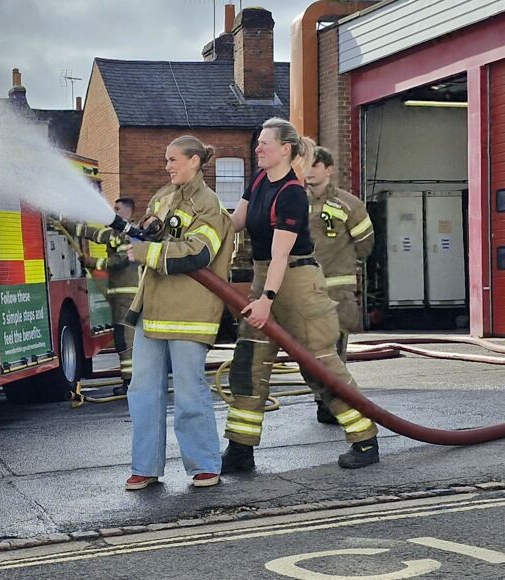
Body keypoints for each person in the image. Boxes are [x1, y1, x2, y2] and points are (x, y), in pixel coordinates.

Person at [223, 117, 379, 474]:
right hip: (265, 275)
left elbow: (281, 254)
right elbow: (234, 223)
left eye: (265, 142)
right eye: (258, 142)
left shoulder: (291, 193)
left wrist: (266, 300)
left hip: (296, 281)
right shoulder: (259, 180)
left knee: (319, 363)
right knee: (249, 362)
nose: (258, 147)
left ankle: (364, 438)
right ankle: (240, 449)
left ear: (285, 149)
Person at [122, 135, 235, 490]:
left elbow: (199, 254)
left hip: (190, 312)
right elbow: (151, 234)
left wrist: (147, 253)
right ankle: (145, 467)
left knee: (189, 392)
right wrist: (138, 239)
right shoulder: (162, 197)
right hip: (152, 309)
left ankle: (203, 465)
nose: (167, 166)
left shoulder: (208, 204)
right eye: (166, 159)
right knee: (142, 391)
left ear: (194, 161)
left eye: (173, 159)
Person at [305, 146, 375, 424]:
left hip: (337, 289)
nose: (309, 171)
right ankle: (323, 398)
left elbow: (365, 243)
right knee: (306, 349)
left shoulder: (348, 204)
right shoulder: (295, 202)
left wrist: (346, 265)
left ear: (329, 170)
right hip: (304, 288)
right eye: (306, 165)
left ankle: (331, 404)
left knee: (333, 350)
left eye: (315, 165)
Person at [77, 197, 140, 396]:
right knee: (122, 339)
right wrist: (66, 223)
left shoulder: (129, 235)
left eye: (117, 209)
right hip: (119, 295)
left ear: (127, 212)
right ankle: (130, 382)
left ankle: (131, 384)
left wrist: (92, 262)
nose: (113, 211)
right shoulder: (115, 233)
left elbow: (120, 260)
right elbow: (94, 234)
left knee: (126, 340)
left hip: (127, 295)